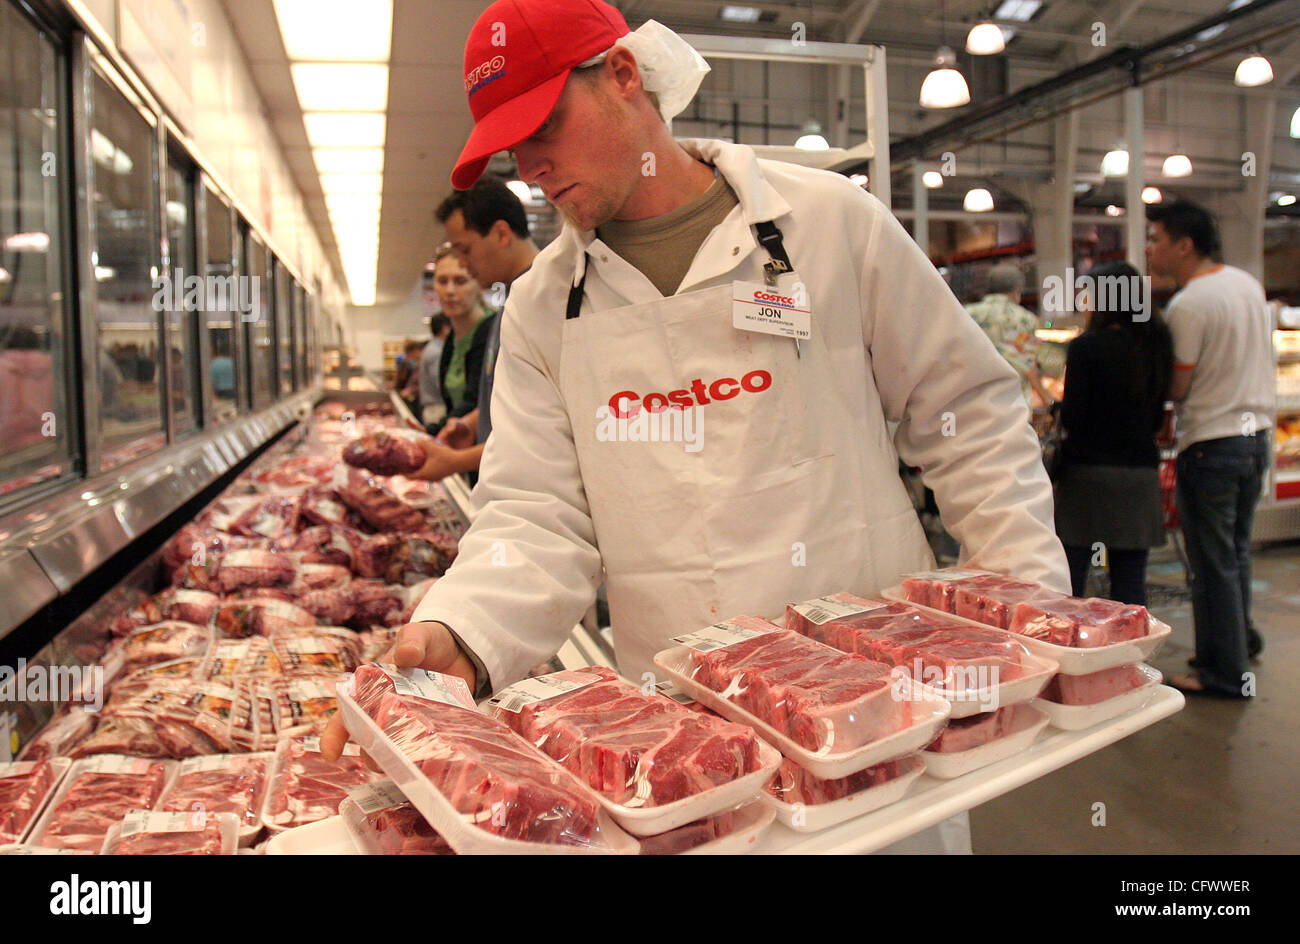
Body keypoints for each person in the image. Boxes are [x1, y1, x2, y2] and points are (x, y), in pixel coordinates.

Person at [324, 0, 1068, 850]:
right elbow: (535, 515)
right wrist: (463, 629)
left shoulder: (827, 224)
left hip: (880, 725)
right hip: (682, 762)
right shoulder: (540, 308)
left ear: (624, 76)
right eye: (511, 145)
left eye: (545, 125)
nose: (530, 166)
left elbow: (965, 412)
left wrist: (1028, 612)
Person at [1146, 201, 1275, 698]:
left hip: (1211, 446)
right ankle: (1238, 644)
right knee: (1235, 555)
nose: (1150, 248)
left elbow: (1179, 386)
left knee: (1211, 564)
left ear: (1185, 245)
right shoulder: (1247, 285)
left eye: (1156, 238)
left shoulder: (1191, 303)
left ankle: (1223, 672)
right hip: (1255, 439)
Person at [1053, 261, 1173, 604]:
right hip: (1139, 475)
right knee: (1130, 584)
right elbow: (1155, 418)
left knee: (1071, 582)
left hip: (1088, 476)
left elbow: (1075, 418)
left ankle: (1075, 650)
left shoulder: (1085, 348)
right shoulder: (1156, 346)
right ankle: (1130, 653)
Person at [408, 176, 540, 482]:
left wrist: (456, 461)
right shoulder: (515, 301)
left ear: (501, 234)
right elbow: (507, 401)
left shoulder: (548, 302)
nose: (464, 264)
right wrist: (469, 424)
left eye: (465, 250)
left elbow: (537, 429)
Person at [965, 264, 1056, 408]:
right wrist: (1047, 398)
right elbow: (1027, 365)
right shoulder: (1024, 319)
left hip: (974, 405)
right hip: (1013, 406)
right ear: (1016, 291)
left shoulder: (967, 313)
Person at [428, 246, 496, 433]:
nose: (449, 290)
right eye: (442, 281)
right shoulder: (451, 340)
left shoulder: (493, 333)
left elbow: (476, 402)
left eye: (460, 281)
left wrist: (433, 433)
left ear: (479, 285)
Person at [418, 313, 452, 427]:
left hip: (434, 408)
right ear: (445, 328)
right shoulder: (437, 351)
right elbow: (441, 383)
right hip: (437, 409)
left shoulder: (432, 348)